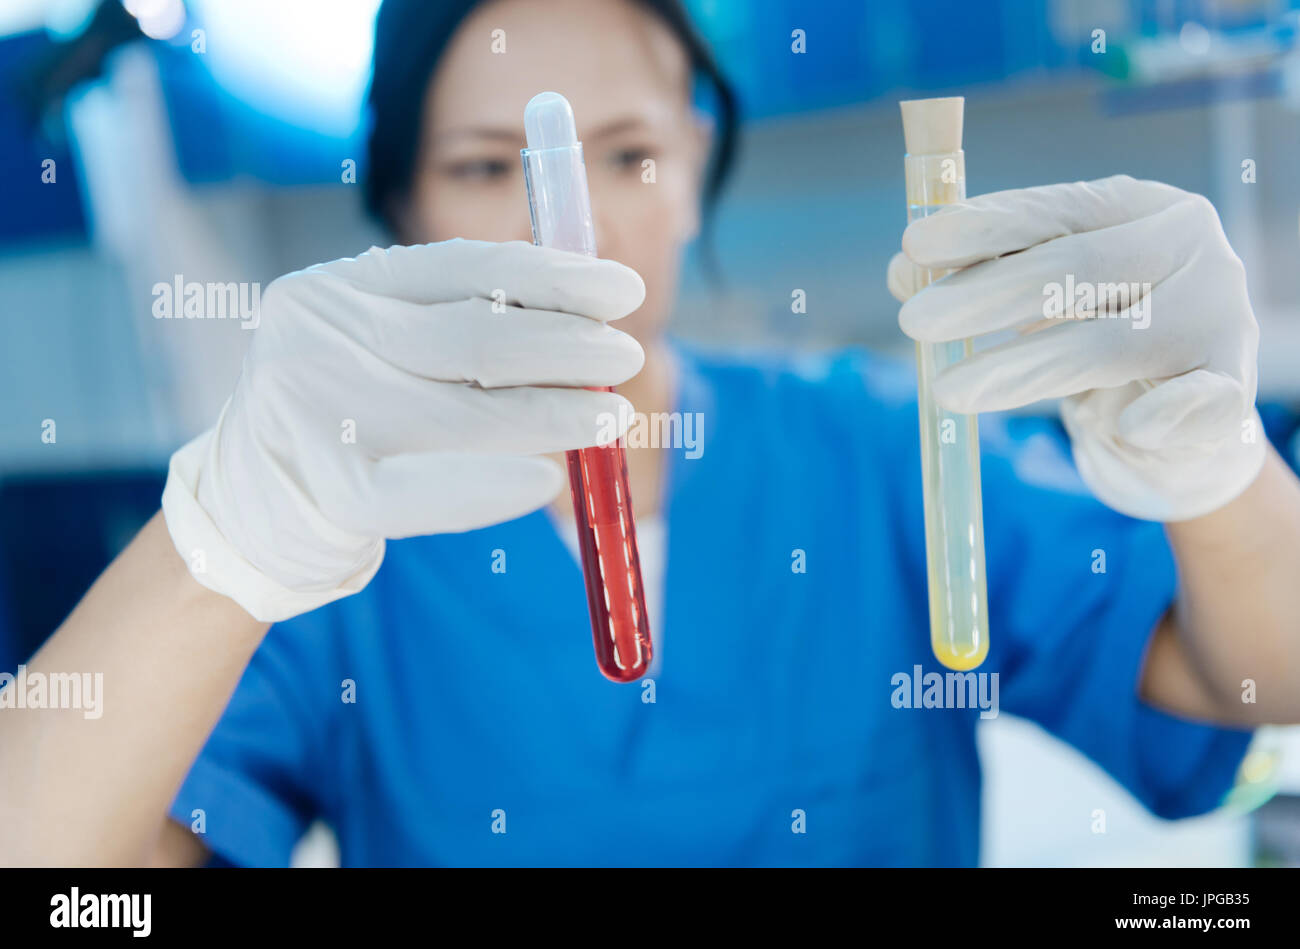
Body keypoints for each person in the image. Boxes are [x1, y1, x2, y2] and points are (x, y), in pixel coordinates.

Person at [2, 0, 1299, 867]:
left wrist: (1218, 468)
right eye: (483, 165)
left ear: (693, 163)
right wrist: (220, 536)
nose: (572, 232)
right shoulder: (336, 552)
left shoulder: (877, 453)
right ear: (398, 200)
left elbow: (1258, 682)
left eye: (623, 155)